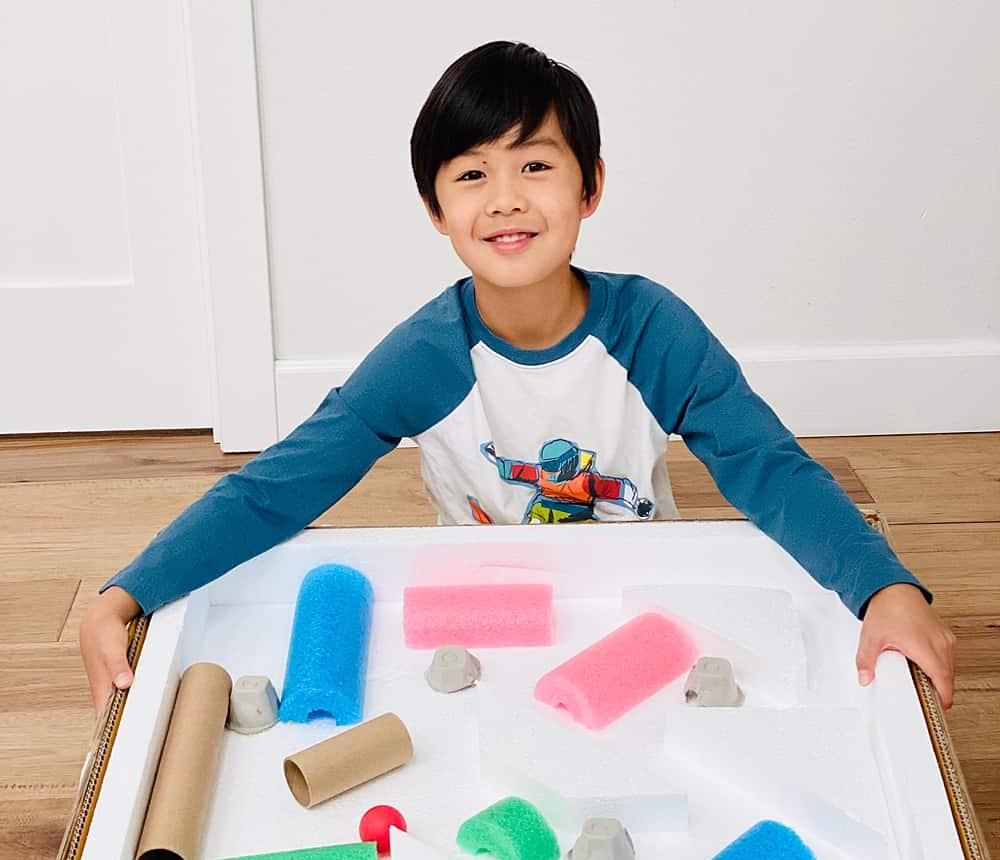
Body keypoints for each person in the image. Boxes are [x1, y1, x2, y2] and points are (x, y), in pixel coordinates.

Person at [80, 40, 955, 715]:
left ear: (591, 186)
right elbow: (282, 486)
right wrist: (129, 590)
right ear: (436, 209)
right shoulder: (429, 355)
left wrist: (886, 588)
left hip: (638, 606)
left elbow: (770, 467)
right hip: (488, 620)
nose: (505, 198)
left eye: (536, 165)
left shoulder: (651, 329)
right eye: (472, 175)